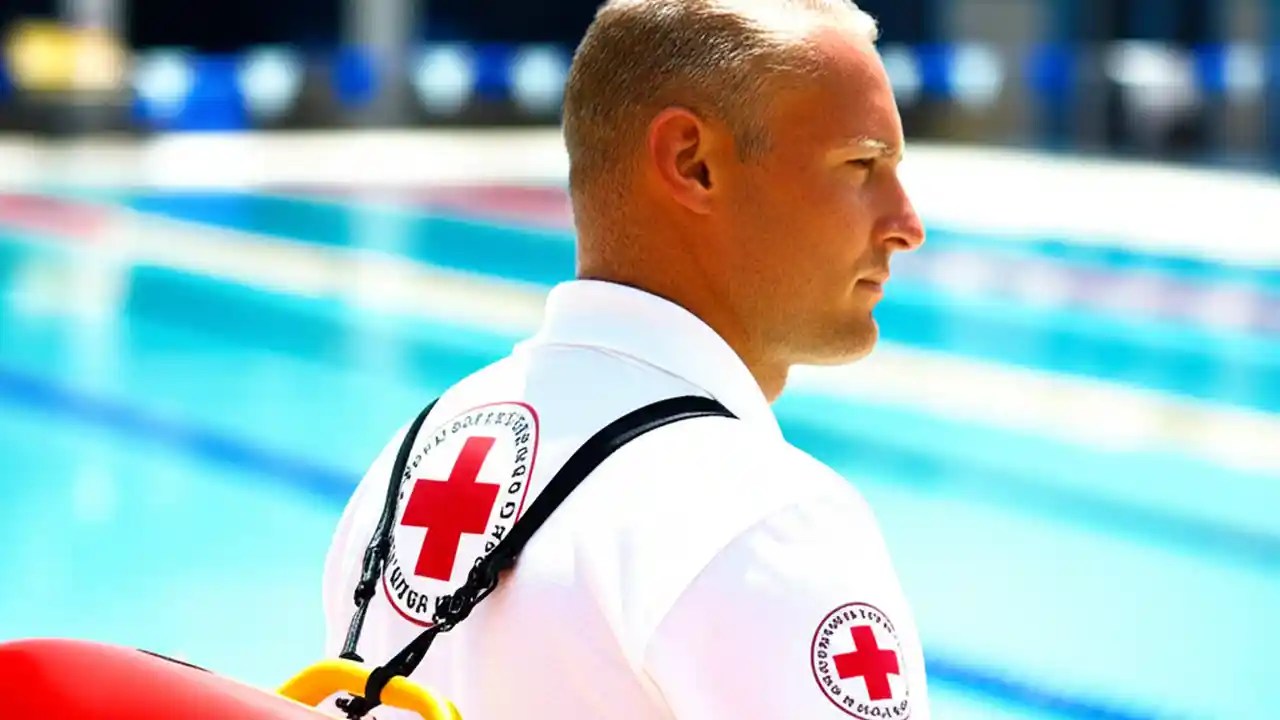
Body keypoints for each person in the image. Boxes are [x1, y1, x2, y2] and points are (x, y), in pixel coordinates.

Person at [321, 0, 928, 717]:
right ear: (692, 163)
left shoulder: (409, 463)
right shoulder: (759, 518)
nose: (906, 225)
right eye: (861, 165)